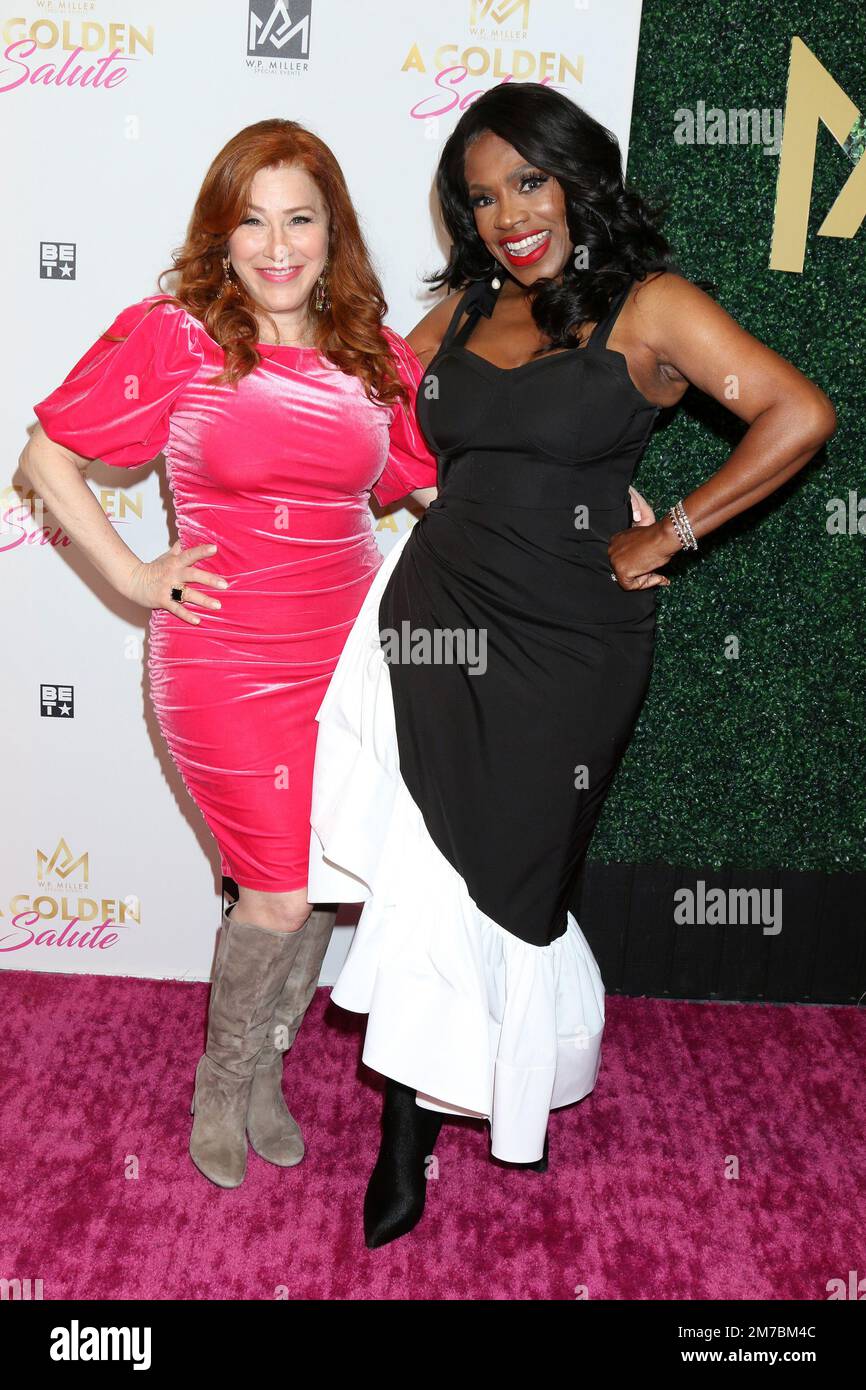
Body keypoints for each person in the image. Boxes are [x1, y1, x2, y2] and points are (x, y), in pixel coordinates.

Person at [308, 83, 836, 1247]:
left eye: (527, 182)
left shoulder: (648, 307)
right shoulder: (462, 310)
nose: (505, 214)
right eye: (480, 195)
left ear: (578, 176)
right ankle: (405, 1122)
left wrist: (669, 532)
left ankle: (493, 1084)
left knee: (513, 877)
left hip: (568, 643)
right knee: (425, 878)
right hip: (430, 621)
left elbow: (796, 412)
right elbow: (364, 410)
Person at [21, 118, 439, 1190]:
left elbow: (442, 494)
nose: (276, 243)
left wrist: (583, 508)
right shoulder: (178, 336)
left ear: (330, 229)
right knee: (278, 893)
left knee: (317, 880)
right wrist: (129, 575)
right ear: (221, 234)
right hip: (221, 660)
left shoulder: (370, 354)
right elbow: (47, 457)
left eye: (298, 216)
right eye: (250, 220)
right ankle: (221, 1078)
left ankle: (265, 1071)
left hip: (343, 659)